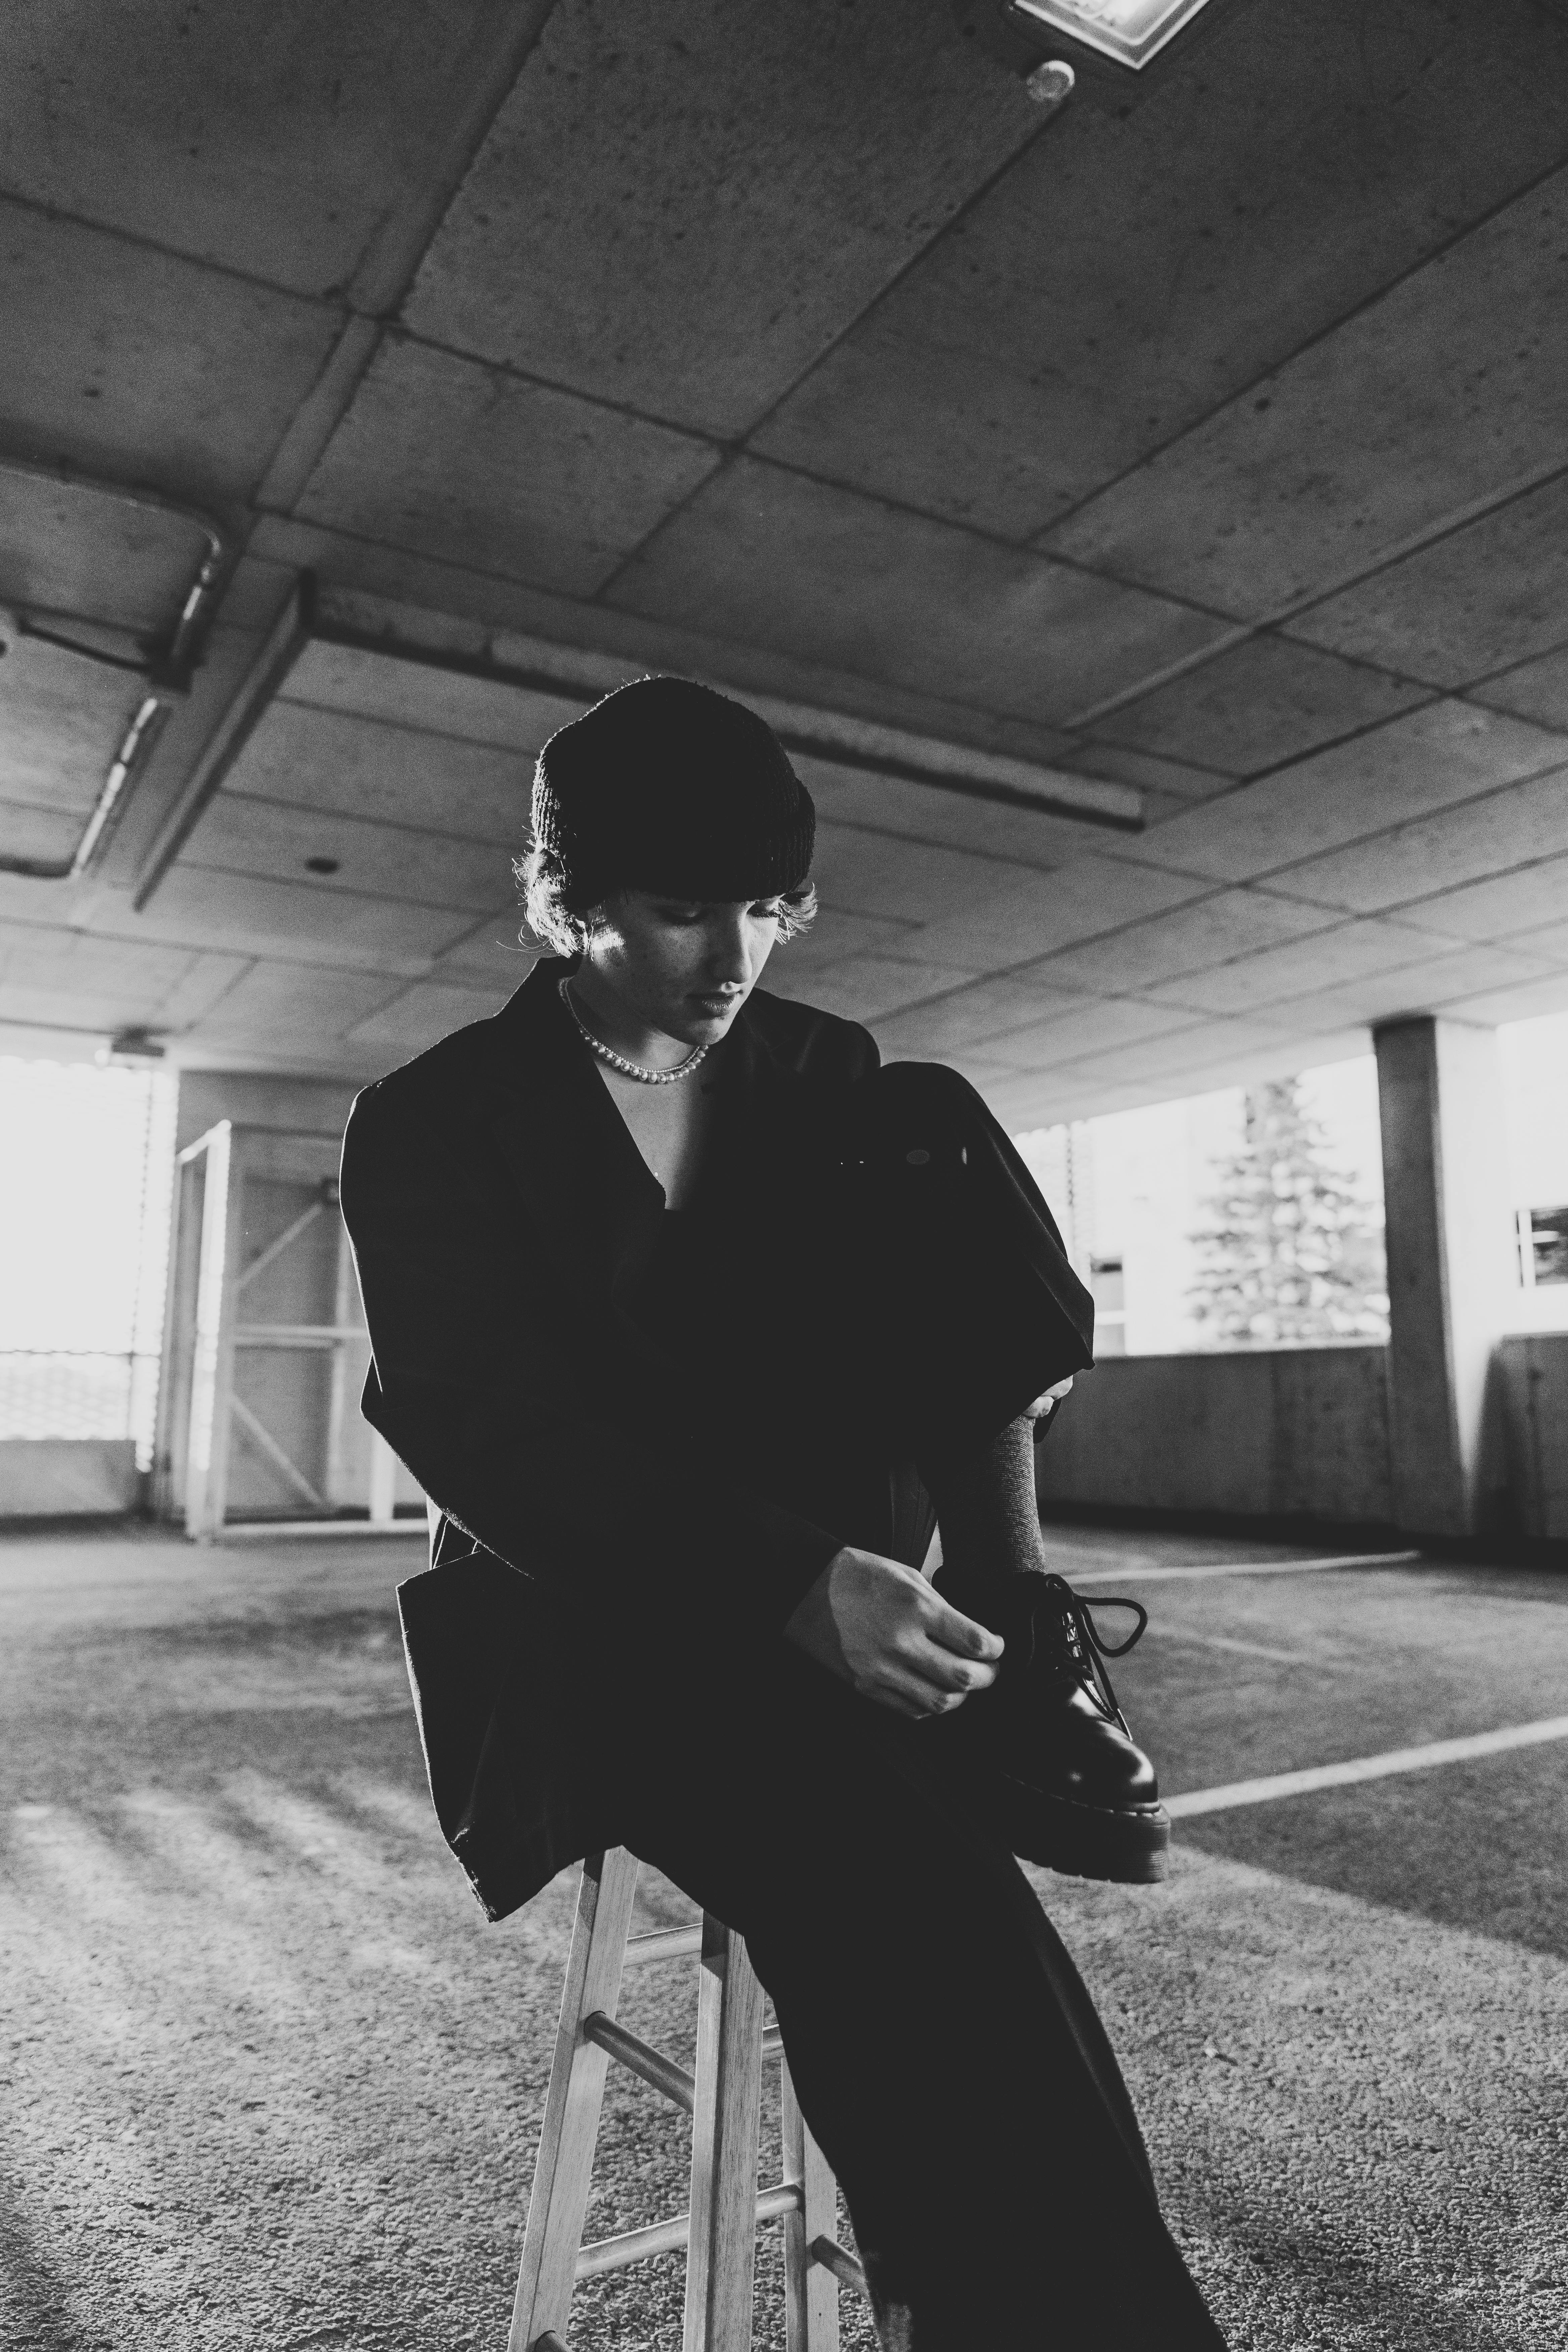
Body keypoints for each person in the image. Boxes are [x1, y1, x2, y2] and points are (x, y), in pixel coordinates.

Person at [338, 675, 1227, 2349]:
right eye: (681, 913)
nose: (732, 956)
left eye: (768, 909)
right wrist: (787, 1585)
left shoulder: (826, 1069)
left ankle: (1018, 1625)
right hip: (601, 1622)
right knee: (917, 1886)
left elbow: (913, 1343)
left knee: (929, 1123)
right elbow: (489, 1440)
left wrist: (890, 1567)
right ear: (564, 903)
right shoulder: (434, 1123)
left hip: (851, 1587)